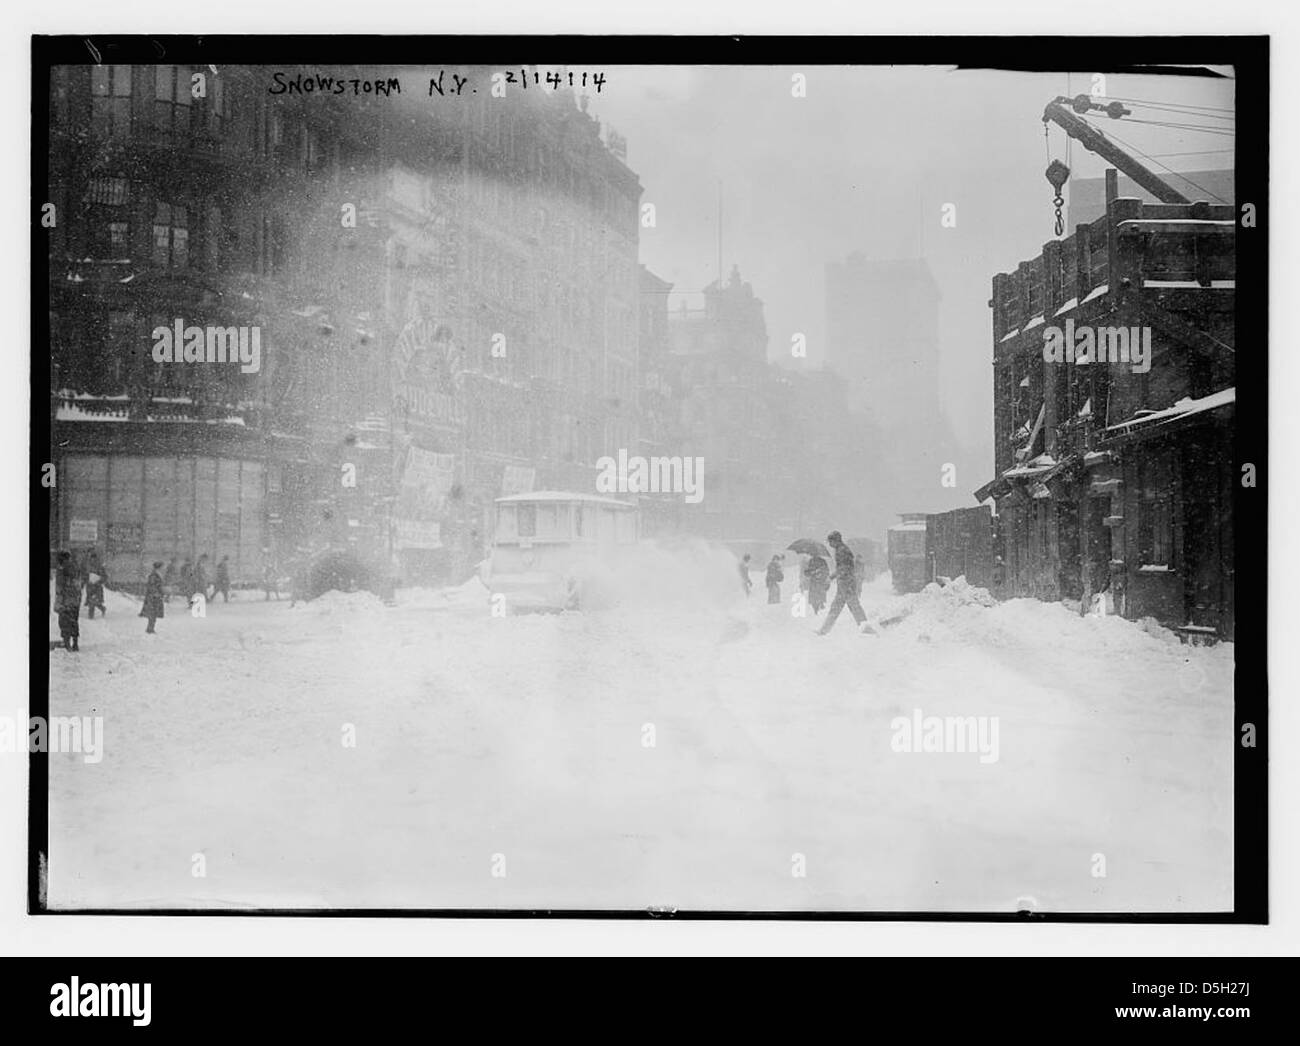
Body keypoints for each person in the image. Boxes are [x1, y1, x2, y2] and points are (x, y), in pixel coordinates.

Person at [818, 531, 868, 635]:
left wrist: (831, 578)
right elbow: (843, 568)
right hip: (845, 583)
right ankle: (824, 630)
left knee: (853, 606)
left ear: (835, 541)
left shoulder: (841, 551)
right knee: (841, 607)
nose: (830, 544)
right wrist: (832, 578)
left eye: (830, 542)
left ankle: (866, 628)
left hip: (846, 584)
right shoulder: (841, 549)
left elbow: (844, 568)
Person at [54, 551, 82, 652]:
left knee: (64, 622)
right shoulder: (75, 567)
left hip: (65, 601)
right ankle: (75, 644)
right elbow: (79, 584)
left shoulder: (61, 569)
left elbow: (59, 588)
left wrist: (58, 602)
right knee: (74, 621)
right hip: (75, 600)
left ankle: (67, 643)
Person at [140, 560, 165, 634]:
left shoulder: (157, 574)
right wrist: (156, 593)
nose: (163, 568)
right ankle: (150, 629)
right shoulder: (154, 575)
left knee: (154, 613)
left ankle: (151, 628)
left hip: (155, 596)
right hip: (153, 597)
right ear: (159, 567)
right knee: (152, 613)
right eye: (162, 567)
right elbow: (152, 586)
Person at [84, 549, 107, 619]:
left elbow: (105, 576)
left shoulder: (100, 567)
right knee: (93, 601)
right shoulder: (88, 567)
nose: (92, 560)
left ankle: (91, 616)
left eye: (94, 559)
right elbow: (85, 575)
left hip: (97, 587)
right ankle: (101, 609)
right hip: (90, 586)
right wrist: (86, 580)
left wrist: (99, 580)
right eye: (91, 559)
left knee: (93, 602)